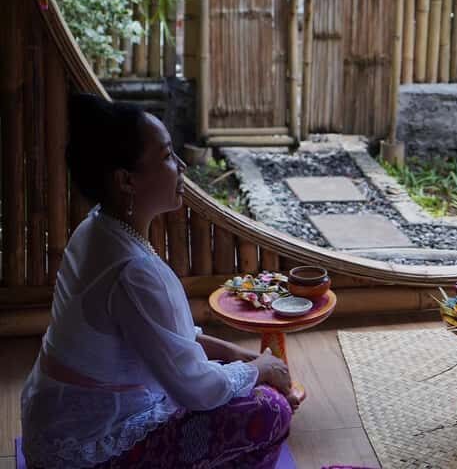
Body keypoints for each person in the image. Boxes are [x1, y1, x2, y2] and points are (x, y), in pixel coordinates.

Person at [21, 94, 298, 469]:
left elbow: (171, 341)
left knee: (247, 381)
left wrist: (246, 357)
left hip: (55, 426)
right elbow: (196, 389)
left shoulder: (98, 229)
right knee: (271, 410)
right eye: (167, 156)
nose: (182, 165)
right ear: (127, 180)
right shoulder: (130, 270)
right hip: (85, 451)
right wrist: (260, 370)